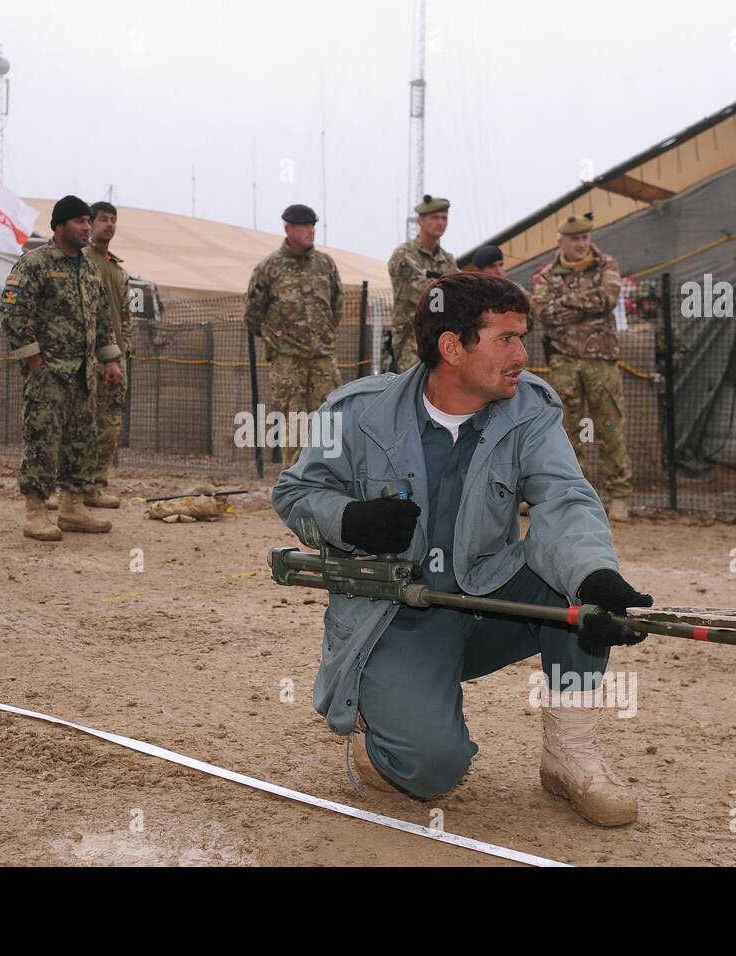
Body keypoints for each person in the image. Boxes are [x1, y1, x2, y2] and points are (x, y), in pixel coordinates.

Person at [272, 272, 653, 827]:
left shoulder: (530, 408)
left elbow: (564, 498)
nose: (523, 354)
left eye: (523, 337)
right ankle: (382, 725)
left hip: (489, 594)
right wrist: (352, 518)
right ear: (453, 346)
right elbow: (295, 493)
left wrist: (595, 574)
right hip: (397, 614)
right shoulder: (353, 413)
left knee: (578, 590)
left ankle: (568, 755)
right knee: (430, 772)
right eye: (506, 339)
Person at [1, 194, 123, 541]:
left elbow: (100, 318)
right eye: (79, 221)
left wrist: (109, 358)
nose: (87, 227)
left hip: (85, 374)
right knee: (43, 441)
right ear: (59, 226)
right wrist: (34, 360)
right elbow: (12, 312)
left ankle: (71, 508)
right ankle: (36, 511)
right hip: (49, 373)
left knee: (80, 442)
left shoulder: (87, 269)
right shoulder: (35, 263)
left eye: (89, 221)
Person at [531, 213, 633, 521]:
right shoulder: (547, 275)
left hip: (599, 359)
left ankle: (620, 494)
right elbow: (543, 312)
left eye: (585, 237)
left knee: (610, 426)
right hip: (562, 360)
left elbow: (606, 298)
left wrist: (564, 304)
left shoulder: (607, 265)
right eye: (575, 239)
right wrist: (581, 305)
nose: (582, 243)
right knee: (566, 430)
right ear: (561, 241)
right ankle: (574, 493)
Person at [244, 204, 344, 468]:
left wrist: (324, 340)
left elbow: (336, 306)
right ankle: (295, 492)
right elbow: (253, 314)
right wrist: (279, 344)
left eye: (313, 226)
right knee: (296, 426)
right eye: (304, 226)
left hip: (323, 360)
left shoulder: (325, 265)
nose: (311, 231)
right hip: (288, 362)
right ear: (288, 229)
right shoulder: (269, 268)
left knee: (327, 423)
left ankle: (324, 487)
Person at [82, 201, 132, 508]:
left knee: (109, 425)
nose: (109, 225)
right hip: (85, 358)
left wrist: (123, 350)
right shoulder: (80, 261)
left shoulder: (117, 269)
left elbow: (124, 316)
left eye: (113, 220)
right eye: (103, 219)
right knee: (79, 425)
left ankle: (96, 485)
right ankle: (68, 488)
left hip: (114, 360)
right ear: (90, 223)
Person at [387, 195, 457, 372]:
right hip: (411, 341)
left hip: (441, 339)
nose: (441, 223)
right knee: (412, 394)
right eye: (435, 218)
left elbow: (460, 291)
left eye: (444, 218)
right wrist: (448, 292)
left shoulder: (447, 259)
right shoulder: (404, 255)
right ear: (420, 221)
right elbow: (424, 295)